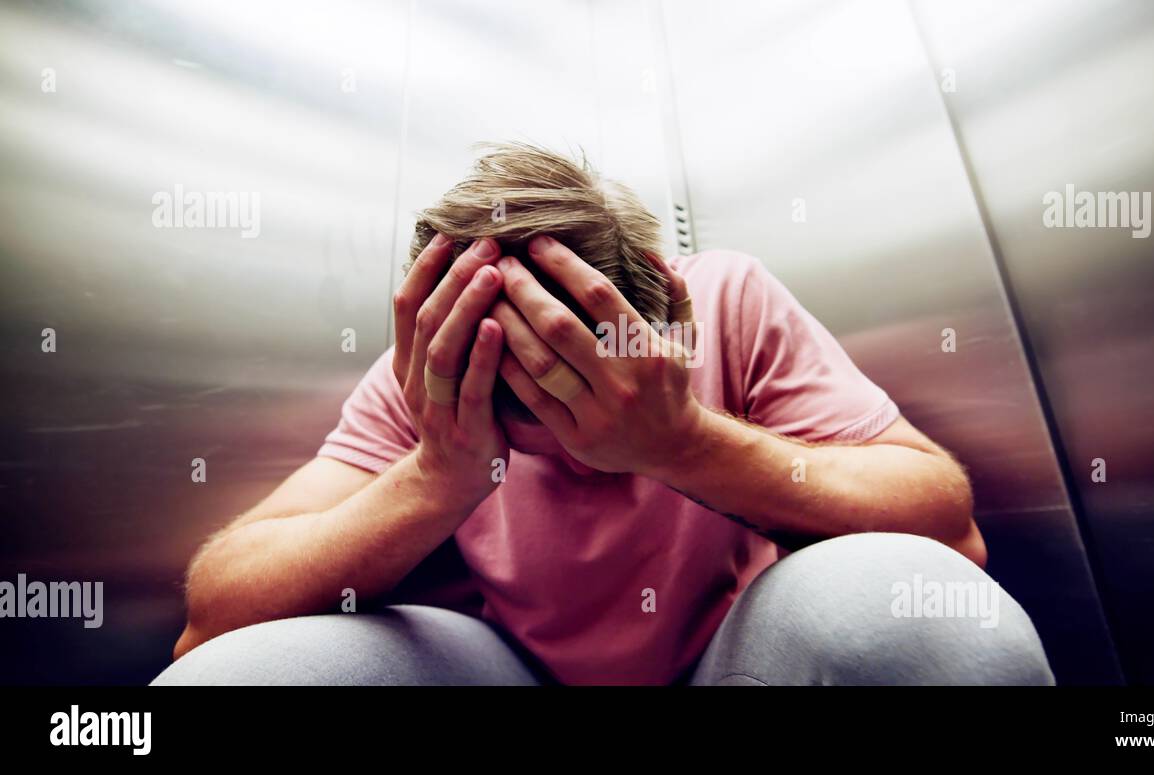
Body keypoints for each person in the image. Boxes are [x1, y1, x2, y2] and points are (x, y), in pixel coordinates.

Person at [154, 144, 1054, 686]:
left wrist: (684, 444)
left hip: (728, 658)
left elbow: (948, 526)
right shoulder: (434, 372)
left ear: (666, 314)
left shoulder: (726, 296)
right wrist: (439, 473)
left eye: (593, 391)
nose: (581, 451)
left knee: (922, 620)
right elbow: (216, 611)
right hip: (509, 672)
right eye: (535, 420)